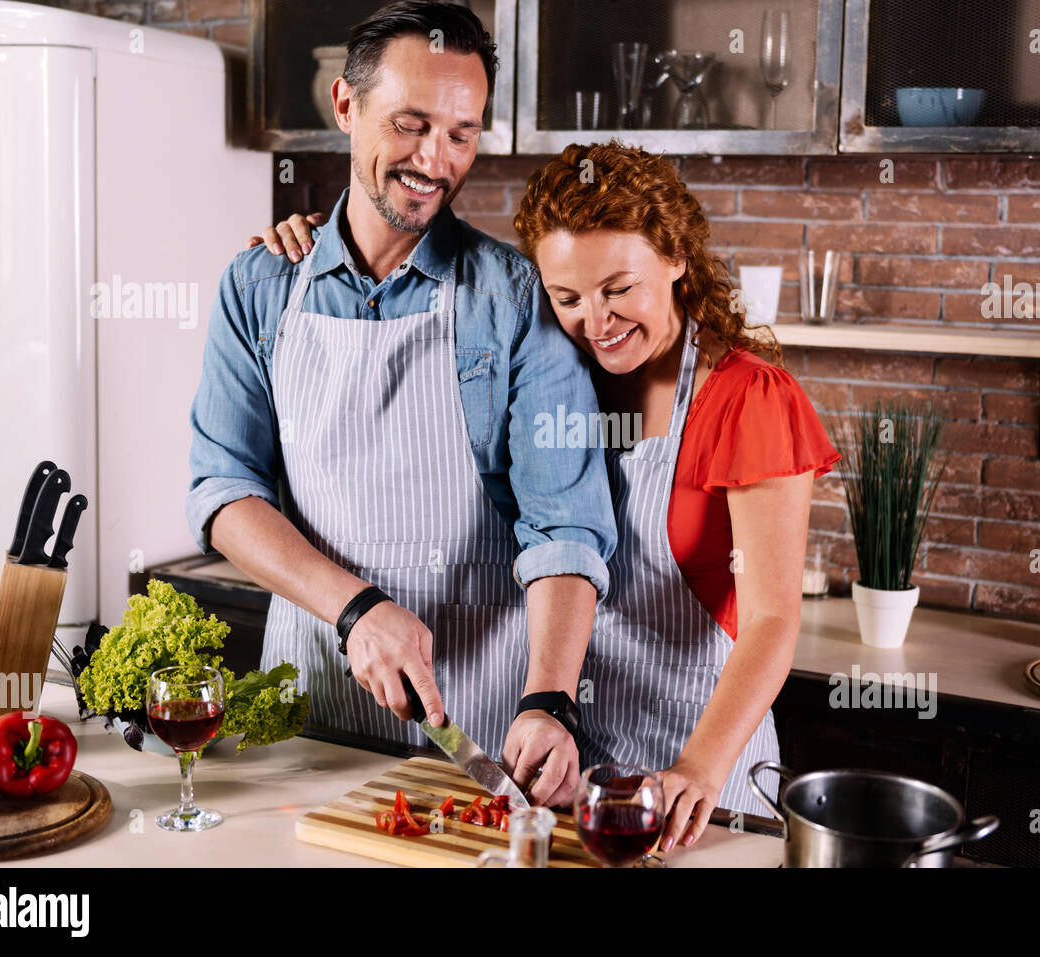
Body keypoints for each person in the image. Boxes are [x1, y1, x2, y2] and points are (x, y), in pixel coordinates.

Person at [262, 142, 839, 850]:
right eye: (567, 297)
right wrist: (327, 242)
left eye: (618, 288)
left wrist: (699, 766)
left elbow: (775, 619)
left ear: (677, 256)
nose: (597, 321)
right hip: (575, 770)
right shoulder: (562, 372)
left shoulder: (747, 396)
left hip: (699, 782)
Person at [186, 0, 616, 809]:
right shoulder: (260, 284)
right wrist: (357, 610)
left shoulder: (514, 296)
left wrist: (550, 701)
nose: (435, 159)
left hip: (479, 737)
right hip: (306, 724)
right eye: (411, 124)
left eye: (462, 133)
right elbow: (222, 491)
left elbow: (567, 524)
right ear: (345, 106)